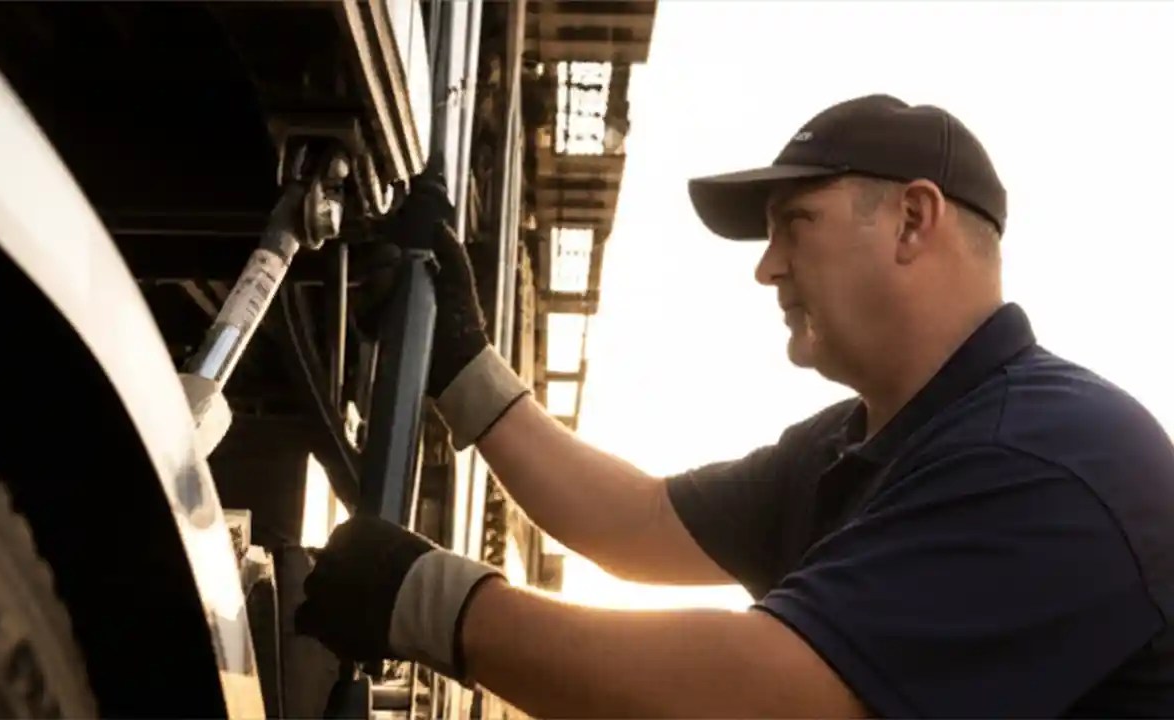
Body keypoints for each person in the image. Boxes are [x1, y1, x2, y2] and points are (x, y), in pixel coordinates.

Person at [294, 94, 1174, 717]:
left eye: (798, 224)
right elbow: (636, 524)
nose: (768, 267)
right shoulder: (863, 444)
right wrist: (464, 368)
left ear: (913, 219)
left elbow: (762, 698)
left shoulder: (1051, 454)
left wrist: (435, 603)